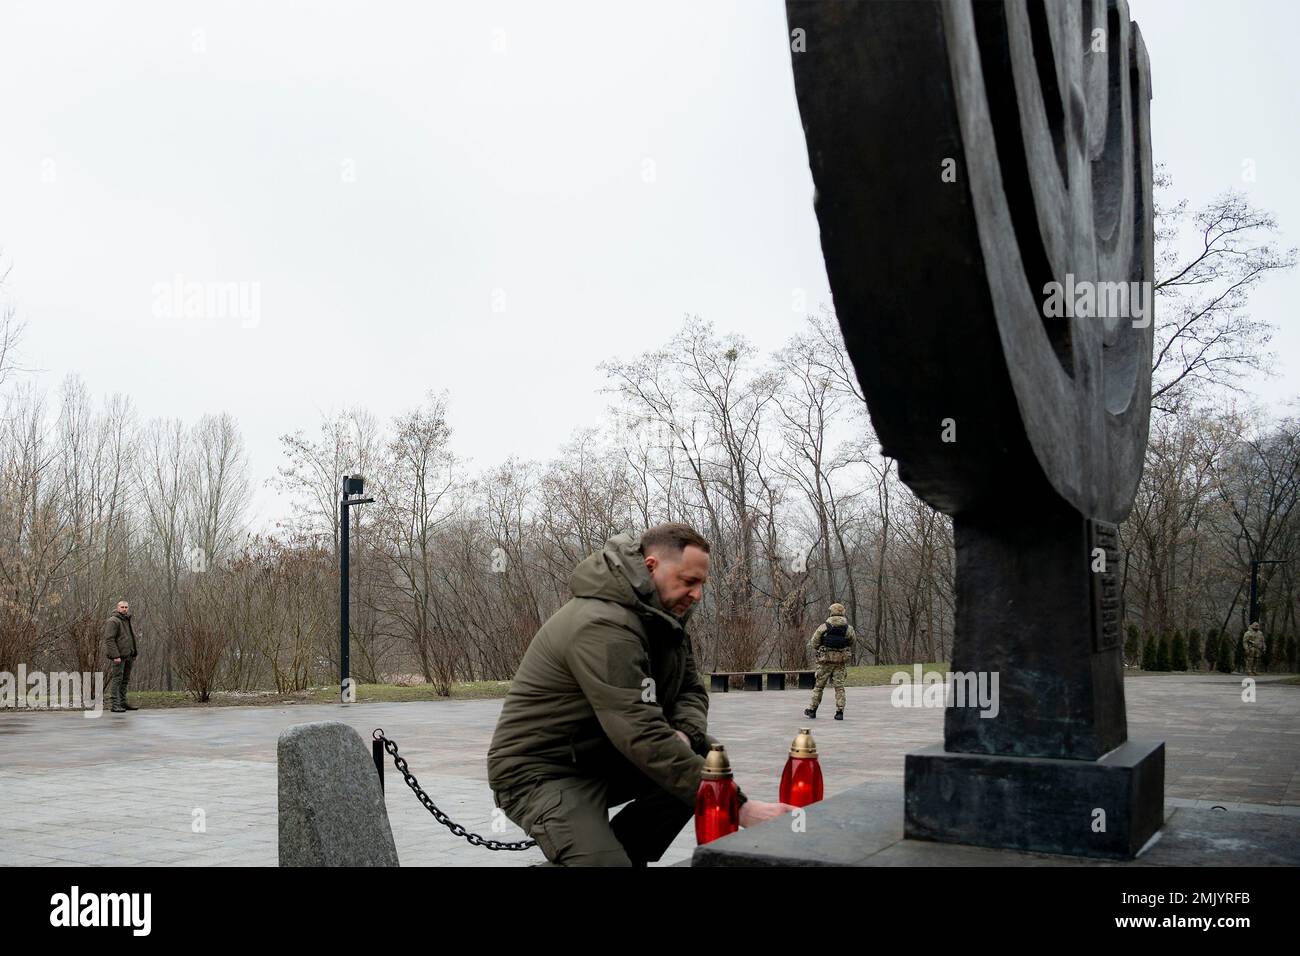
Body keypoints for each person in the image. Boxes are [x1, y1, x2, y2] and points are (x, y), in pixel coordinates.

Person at [487, 523, 793, 865]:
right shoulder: (603, 625)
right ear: (651, 567)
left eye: (701, 584)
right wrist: (739, 807)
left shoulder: (663, 618)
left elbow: (690, 691)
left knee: (704, 755)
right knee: (605, 860)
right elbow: (640, 735)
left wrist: (684, 733)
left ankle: (621, 856)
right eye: (688, 581)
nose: (697, 595)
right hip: (540, 771)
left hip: (602, 756)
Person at [805, 602, 855, 720]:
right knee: (839, 687)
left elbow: (814, 642)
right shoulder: (848, 628)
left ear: (831, 612)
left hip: (825, 662)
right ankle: (839, 712)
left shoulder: (824, 626)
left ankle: (812, 710)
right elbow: (852, 642)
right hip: (840, 662)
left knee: (819, 686)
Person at [104, 600, 139, 713]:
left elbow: (129, 638)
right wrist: (115, 655)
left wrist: (134, 652)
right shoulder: (113, 621)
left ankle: (123, 702)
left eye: (126, 607)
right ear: (118, 608)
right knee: (117, 679)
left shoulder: (126, 620)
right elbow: (109, 639)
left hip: (128, 655)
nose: (124, 609)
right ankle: (115, 704)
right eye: (122, 607)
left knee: (125, 680)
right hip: (119, 656)